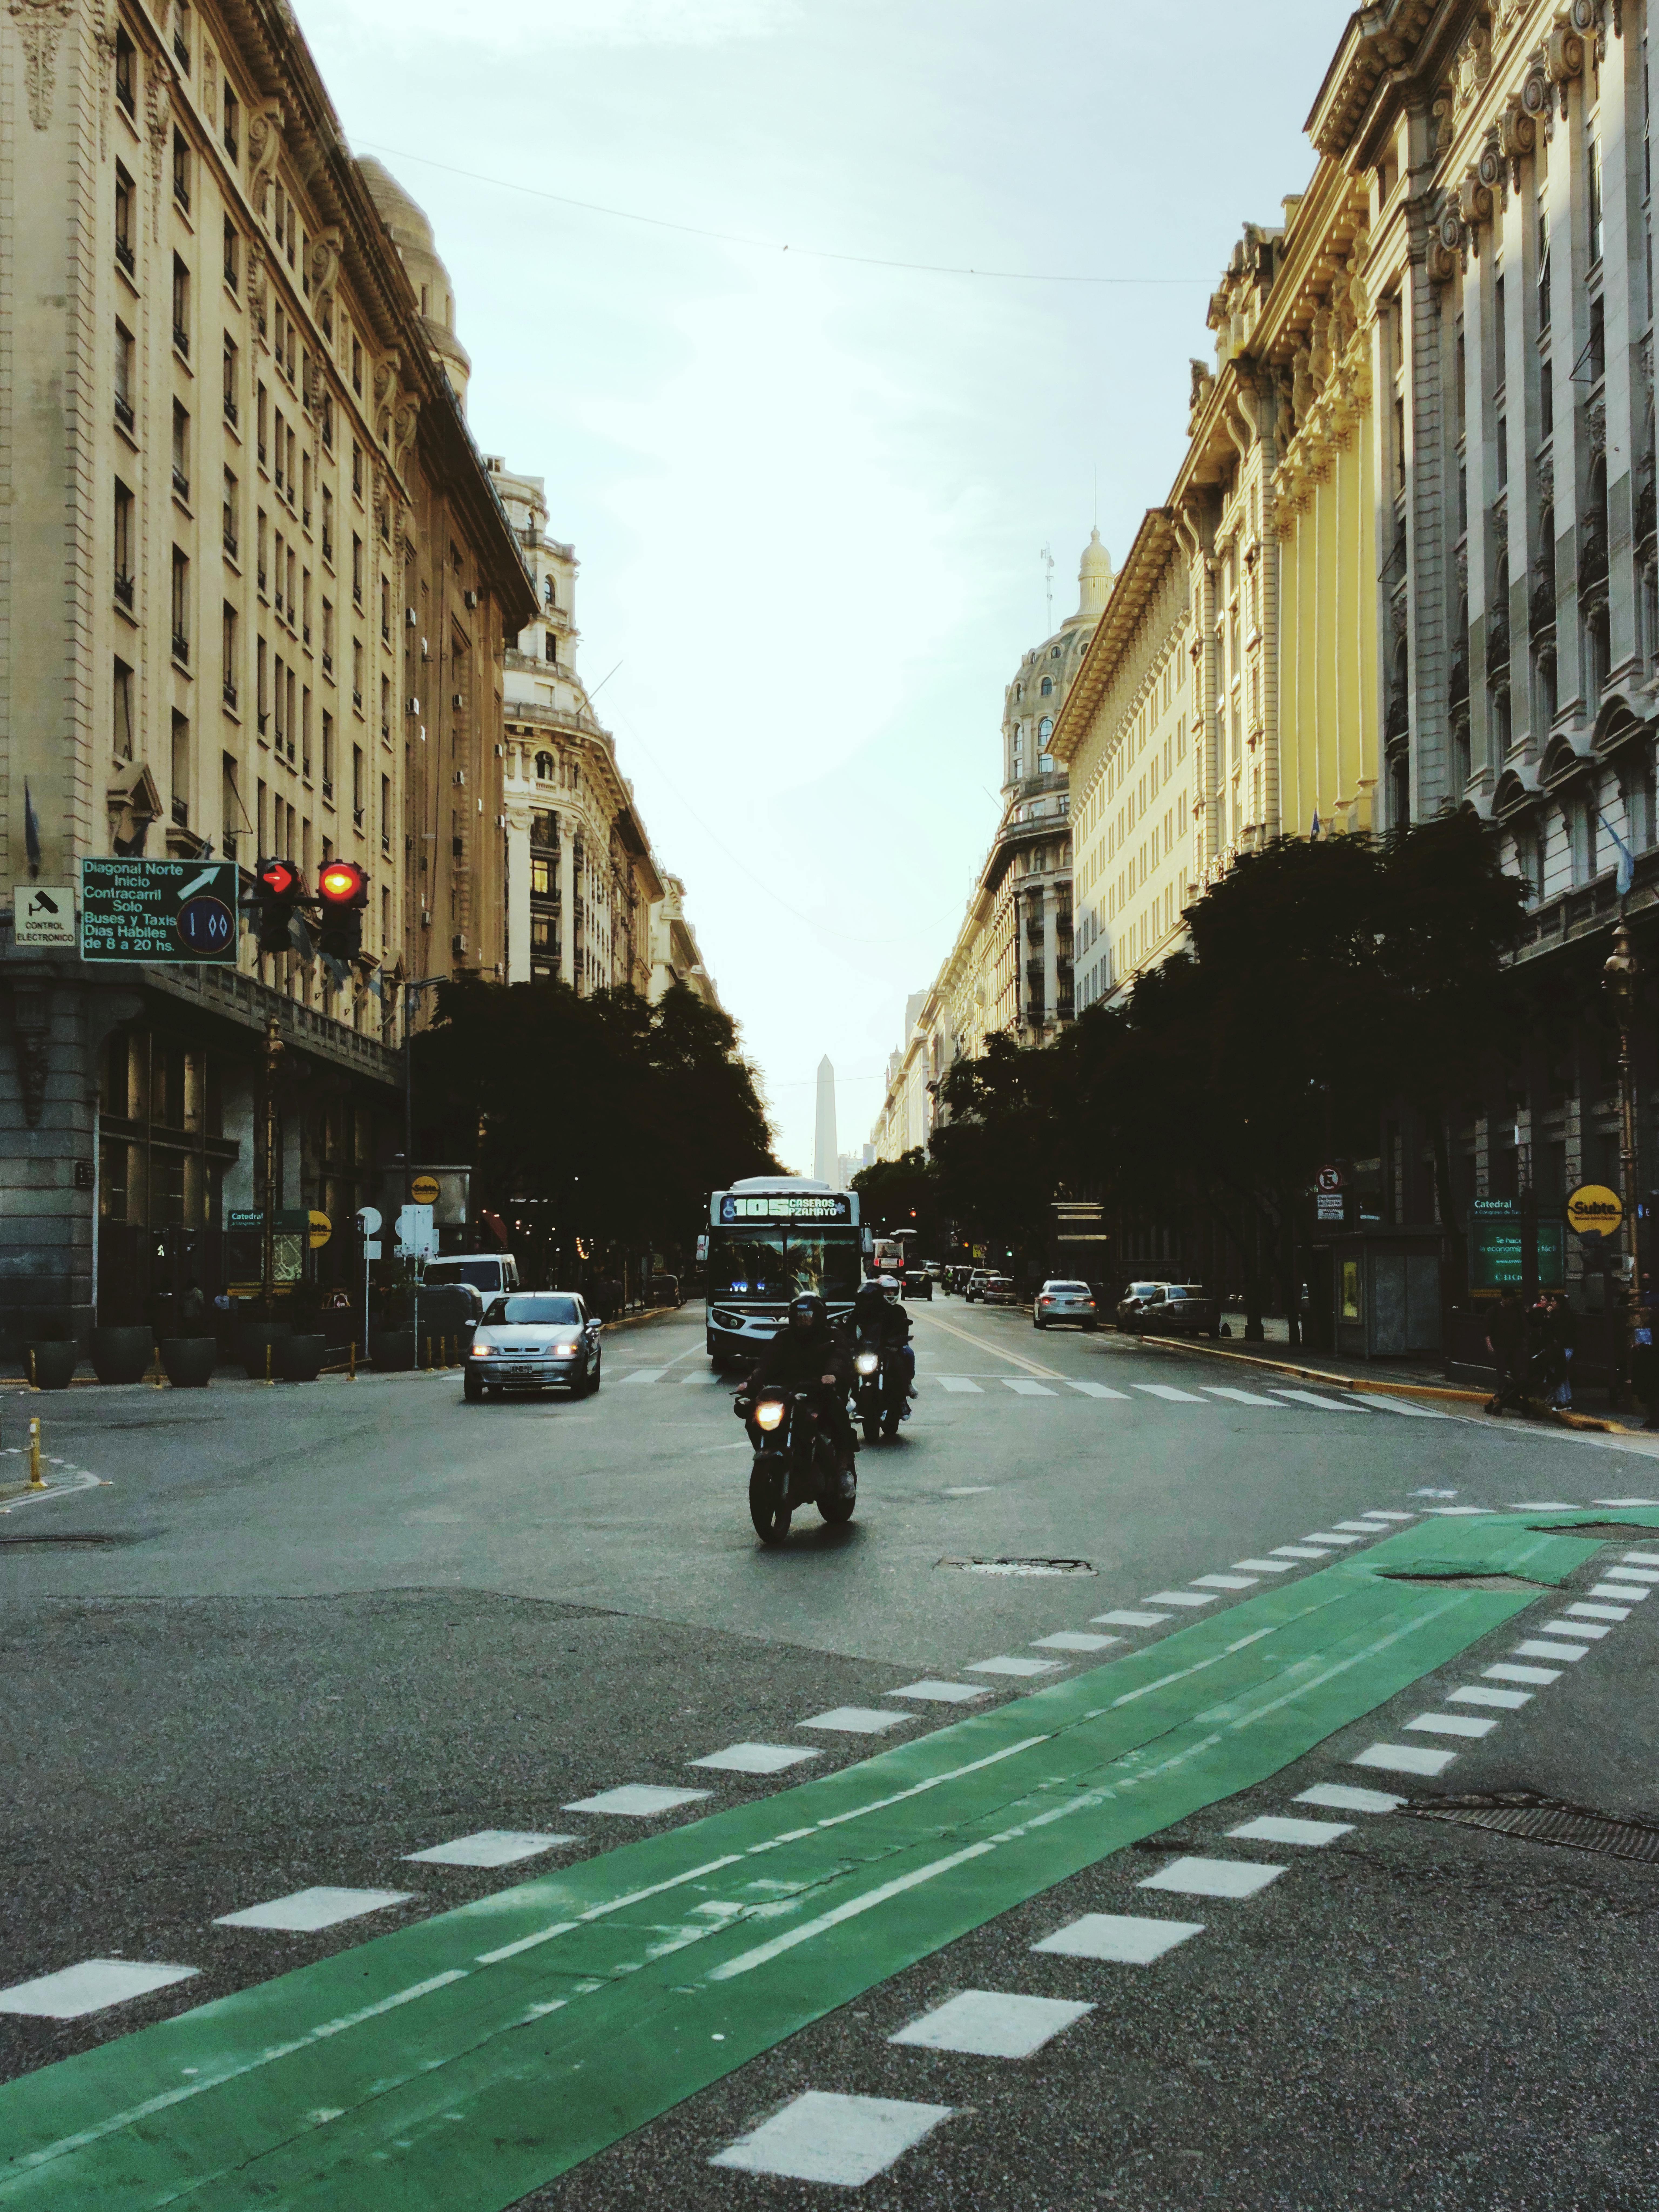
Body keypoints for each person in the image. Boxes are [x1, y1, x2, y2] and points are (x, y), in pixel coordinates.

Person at [739, 1292, 857, 1492]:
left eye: (808, 1316)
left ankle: (844, 1469)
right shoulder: (784, 1337)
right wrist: (750, 1382)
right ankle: (770, 1451)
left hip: (819, 1389)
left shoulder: (832, 1335)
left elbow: (840, 1356)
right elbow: (766, 1361)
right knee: (752, 1411)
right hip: (786, 1391)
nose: (803, 1321)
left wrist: (832, 1375)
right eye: (799, 1316)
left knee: (837, 1412)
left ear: (818, 1316)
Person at [853, 1273, 915, 1413]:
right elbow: (855, 1325)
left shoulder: (899, 1310)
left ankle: (905, 1391)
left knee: (908, 1354)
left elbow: (904, 1330)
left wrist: (898, 1342)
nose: (890, 1293)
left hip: (893, 1347)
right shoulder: (868, 1308)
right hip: (871, 1347)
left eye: (892, 1291)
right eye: (886, 1290)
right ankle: (852, 1399)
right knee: (849, 1364)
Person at [1484, 1286, 1525, 1415]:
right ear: (1503, 1299)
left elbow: (1522, 1327)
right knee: (1501, 1373)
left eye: (1513, 1300)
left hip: (1515, 1346)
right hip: (1501, 1346)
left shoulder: (1517, 1310)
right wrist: (1489, 1345)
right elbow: (1487, 1330)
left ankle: (1514, 1396)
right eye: (1509, 1300)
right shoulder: (1494, 1311)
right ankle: (1501, 1394)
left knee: (1516, 1373)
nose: (1511, 1302)